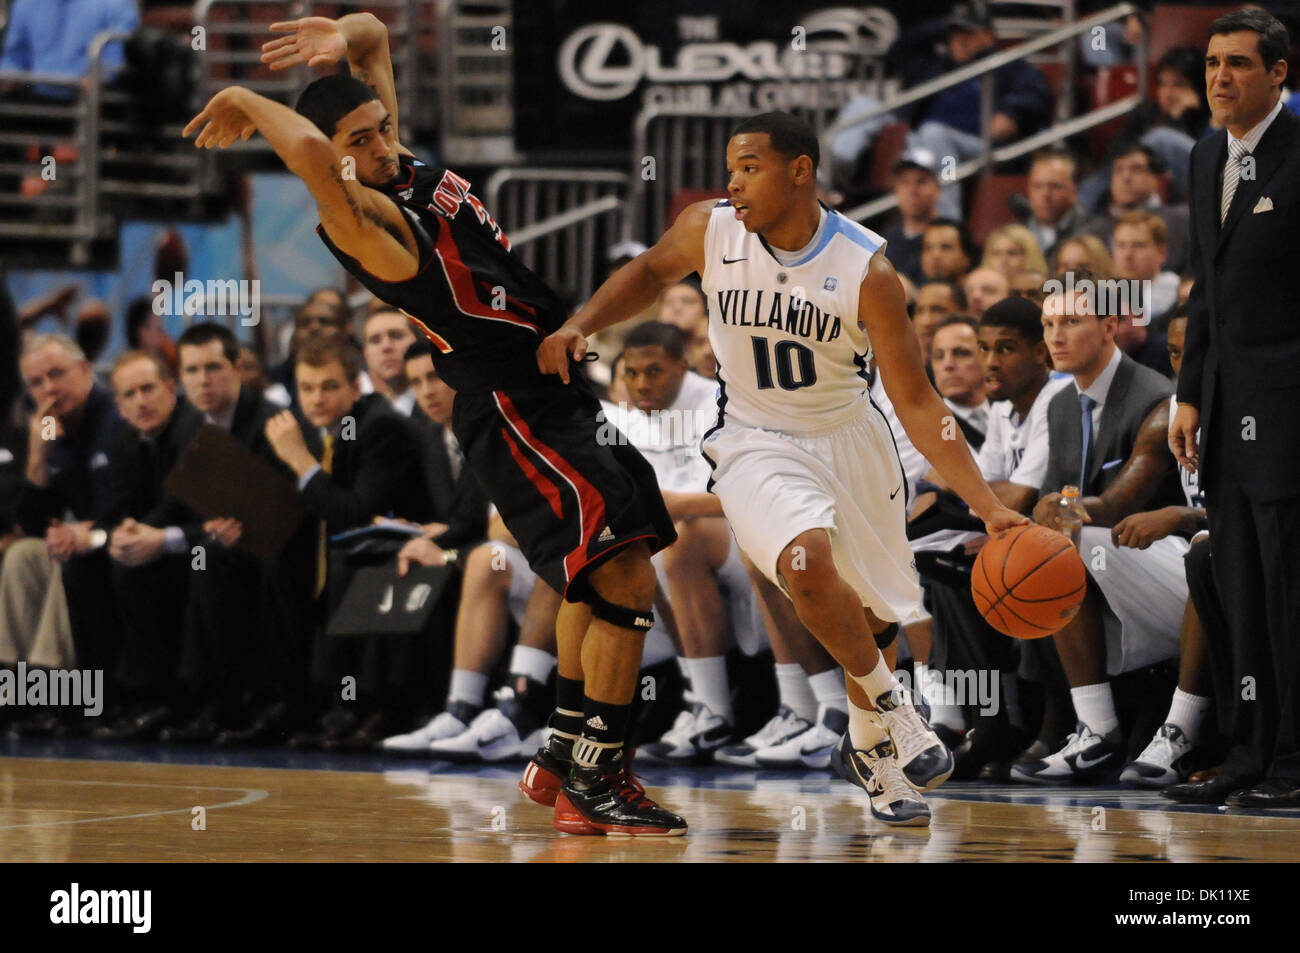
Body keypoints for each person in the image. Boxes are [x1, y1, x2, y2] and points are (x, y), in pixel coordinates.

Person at [208, 12, 683, 834]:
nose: (382, 146)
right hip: (508, 403)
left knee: (598, 570)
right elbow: (317, 158)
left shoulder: (399, 169)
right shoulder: (371, 227)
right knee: (623, 574)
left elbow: (373, 40)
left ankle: (565, 752)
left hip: (554, 388)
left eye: (381, 128)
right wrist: (249, 95)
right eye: (360, 140)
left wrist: (339, 34)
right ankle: (595, 775)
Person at [538, 111, 1027, 827]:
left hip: (852, 443)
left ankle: (872, 750)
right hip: (754, 440)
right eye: (729, 167)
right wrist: (580, 322)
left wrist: (986, 503)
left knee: (870, 613)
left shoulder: (868, 268)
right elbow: (647, 272)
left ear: (800, 170)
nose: (732, 182)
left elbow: (919, 402)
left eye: (749, 166)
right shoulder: (710, 230)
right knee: (804, 563)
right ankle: (896, 707)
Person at [1167, 9, 1300, 809]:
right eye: (1213, 63)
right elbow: (1206, 290)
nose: (1219, 78)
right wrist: (1188, 392)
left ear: (1280, 73)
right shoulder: (1205, 154)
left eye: (1239, 65)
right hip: (1222, 415)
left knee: (1290, 596)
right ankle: (1251, 749)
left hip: (1288, 419)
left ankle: (1293, 760)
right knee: (1242, 588)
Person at [1013, 279, 1187, 784]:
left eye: (1071, 322)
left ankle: (1099, 729)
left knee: (1062, 546)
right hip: (1108, 566)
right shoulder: (1060, 403)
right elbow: (1053, 505)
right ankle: (1074, 726)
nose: (1055, 336)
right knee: (1027, 554)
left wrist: (1055, 511)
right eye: (1048, 325)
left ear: (1110, 326)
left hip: (1168, 558)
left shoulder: (1156, 396)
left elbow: (1114, 505)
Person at [876, 149, 942, 286]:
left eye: (921, 182)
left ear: (937, 189)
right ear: (896, 190)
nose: (913, 190)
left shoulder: (949, 235)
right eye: (905, 183)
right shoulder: (886, 238)